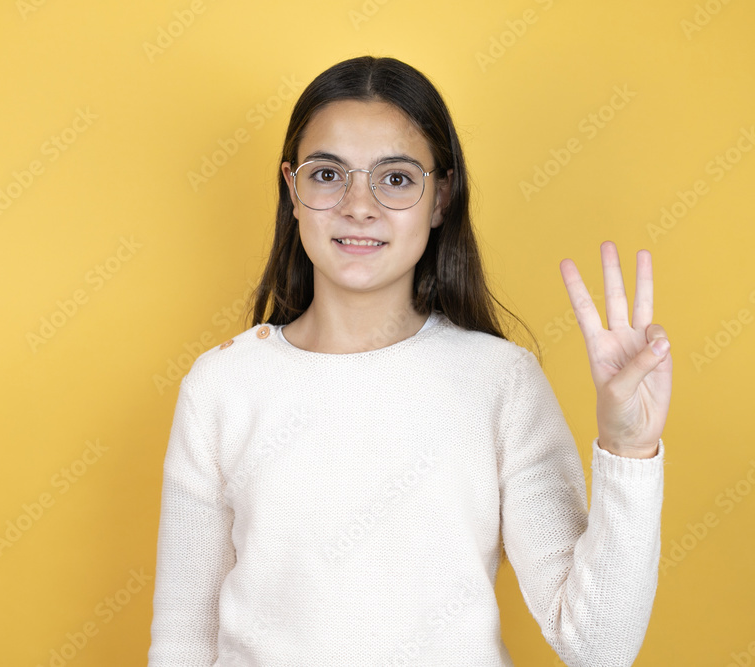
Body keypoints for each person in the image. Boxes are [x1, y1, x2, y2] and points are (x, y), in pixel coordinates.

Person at [148, 55, 671, 666]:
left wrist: (629, 450)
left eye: (396, 178)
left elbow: (598, 647)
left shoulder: (501, 383)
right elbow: (182, 642)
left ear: (441, 197)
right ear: (292, 190)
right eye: (327, 175)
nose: (359, 205)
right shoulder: (222, 386)